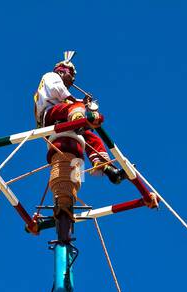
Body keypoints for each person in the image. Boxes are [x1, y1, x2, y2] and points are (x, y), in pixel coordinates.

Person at [33, 51, 124, 244]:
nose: (73, 78)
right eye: (71, 74)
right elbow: (60, 92)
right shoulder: (50, 77)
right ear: (61, 70)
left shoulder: (60, 87)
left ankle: (103, 165)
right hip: (52, 116)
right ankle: (78, 119)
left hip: (63, 127)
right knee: (76, 109)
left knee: (90, 139)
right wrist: (80, 105)